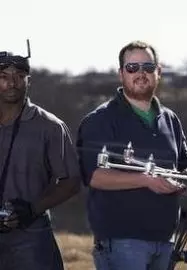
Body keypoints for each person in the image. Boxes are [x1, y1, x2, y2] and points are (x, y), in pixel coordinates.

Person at [77, 40, 187, 270]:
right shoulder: (100, 120)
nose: (141, 73)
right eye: (132, 68)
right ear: (121, 74)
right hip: (122, 241)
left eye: (148, 67)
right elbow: (94, 176)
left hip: (166, 240)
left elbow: (184, 165)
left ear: (158, 72)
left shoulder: (170, 119)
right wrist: (145, 180)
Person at [0, 47, 81, 270]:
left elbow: (71, 181)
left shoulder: (50, 126)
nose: (12, 83)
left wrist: (32, 209)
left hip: (31, 239)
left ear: (29, 80)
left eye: (19, 76)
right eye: (3, 77)